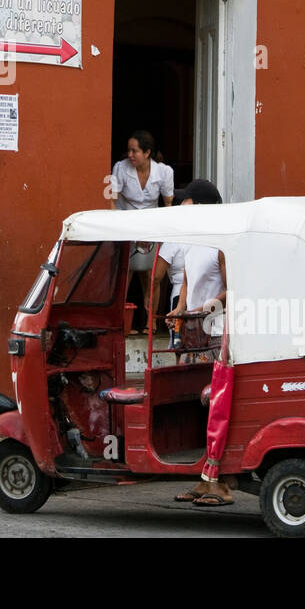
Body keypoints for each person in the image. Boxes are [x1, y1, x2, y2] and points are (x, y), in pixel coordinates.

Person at [157, 179, 235, 508]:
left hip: (219, 335)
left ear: (203, 206)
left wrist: (207, 308)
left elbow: (232, 290)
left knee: (219, 405)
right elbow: (187, 282)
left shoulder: (222, 244)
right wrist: (178, 309)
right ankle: (205, 479)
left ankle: (223, 482)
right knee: (200, 405)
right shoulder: (192, 243)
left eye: (188, 205)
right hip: (195, 335)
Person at [109, 131, 174, 331]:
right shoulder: (120, 168)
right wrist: (118, 229)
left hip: (150, 227)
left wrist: (164, 234)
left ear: (147, 153)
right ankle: (119, 321)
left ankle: (150, 322)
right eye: (129, 150)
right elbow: (112, 200)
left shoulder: (164, 172)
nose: (130, 154)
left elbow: (168, 204)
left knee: (151, 276)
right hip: (125, 225)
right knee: (124, 273)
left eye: (134, 151)